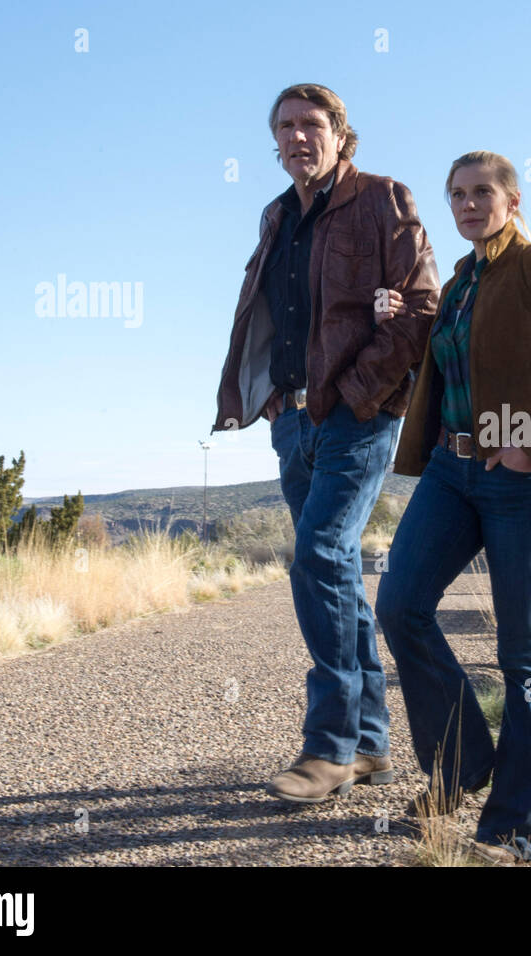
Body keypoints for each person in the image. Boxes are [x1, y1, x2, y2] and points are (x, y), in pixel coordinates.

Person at [375, 150, 531, 863]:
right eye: (457, 195)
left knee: (522, 657)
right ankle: (463, 765)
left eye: (482, 192)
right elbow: (457, 368)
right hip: (451, 472)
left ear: (511, 200)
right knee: (400, 604)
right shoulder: (459, 282)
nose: (468, 204)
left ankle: (510, 832)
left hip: (524, 483)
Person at [211, 84, 439, 802]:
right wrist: (276, 400)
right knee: (335, 571)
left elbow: (420, 308)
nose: (297, 137)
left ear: (342, 134)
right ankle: (370, 745)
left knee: (319, 553)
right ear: (273, 142)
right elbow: (275, 316)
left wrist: (355, 391)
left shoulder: (383, 199)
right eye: (285, 127)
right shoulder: (277, 216)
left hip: (357, 416)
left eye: (312, 125)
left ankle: (329, 747)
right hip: (292, 422)